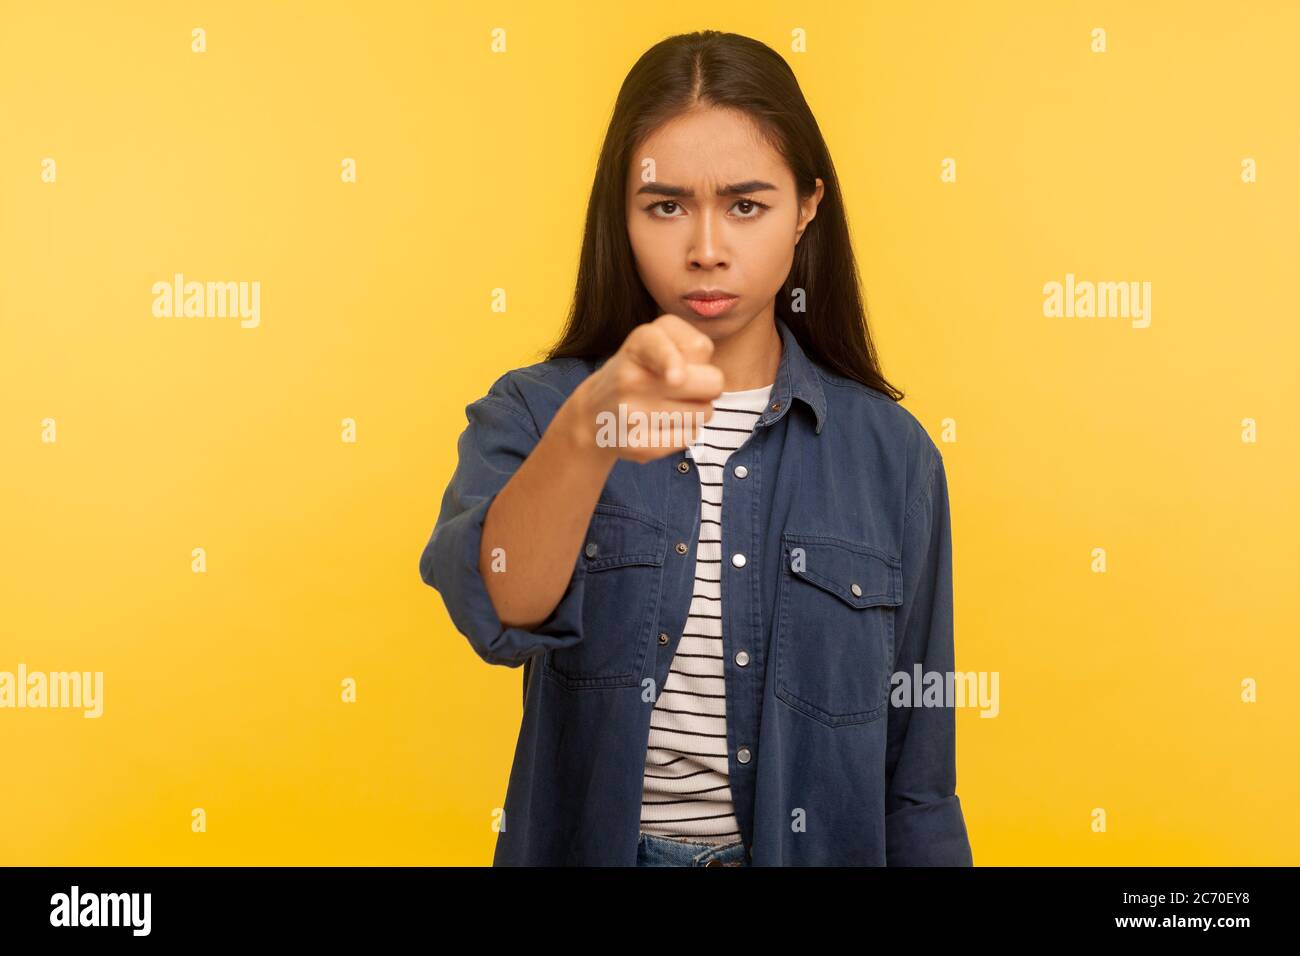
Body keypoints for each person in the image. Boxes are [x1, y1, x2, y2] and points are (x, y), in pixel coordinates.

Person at [419, 30, 973, 867]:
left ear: (808, 207)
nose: (706, 247)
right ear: (623, 210)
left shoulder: (894, 458)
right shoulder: (538, 411)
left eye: (746, 205)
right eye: (666, 205)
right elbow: (502, 608)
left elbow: (918, 781)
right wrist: (590, 427)